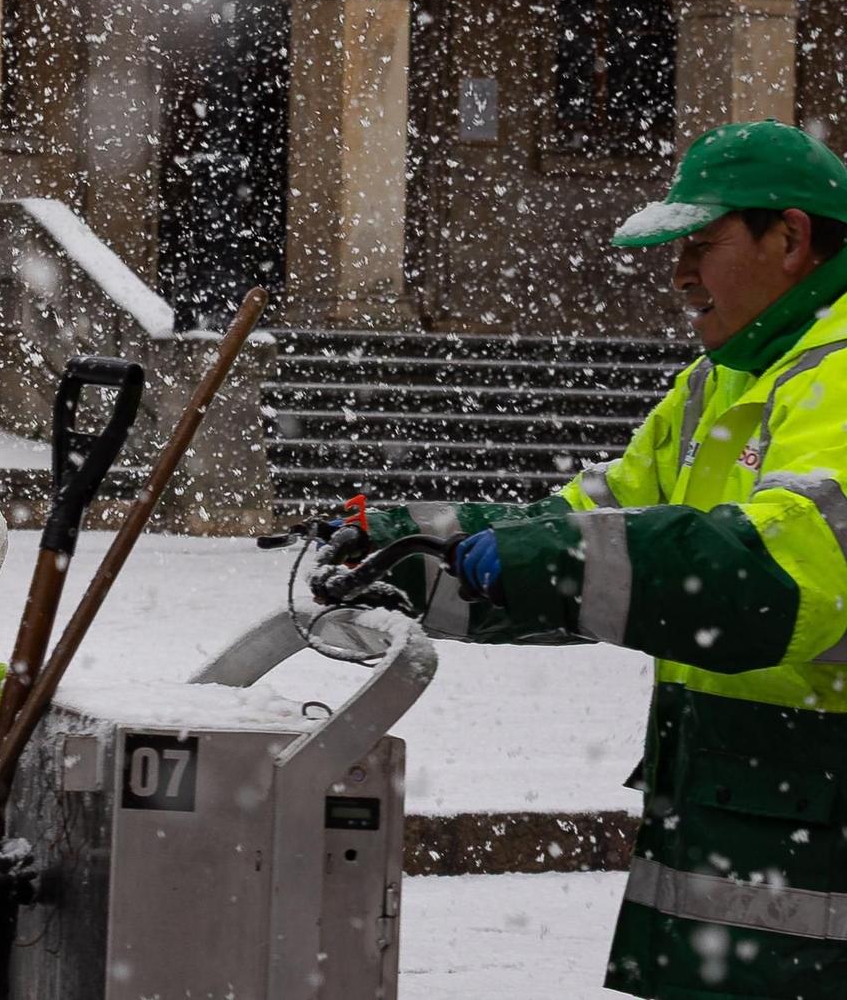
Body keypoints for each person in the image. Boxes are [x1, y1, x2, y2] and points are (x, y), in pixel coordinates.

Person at [341, 120, 847, 997]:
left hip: (815, 821)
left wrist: (550, 558)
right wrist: (407, 550)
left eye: (702, 244)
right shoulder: (719, 382)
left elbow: (777, 579)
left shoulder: (836, 371)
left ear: (792, 237)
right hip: (744, 816)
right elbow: (586, 521)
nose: (680, 272)